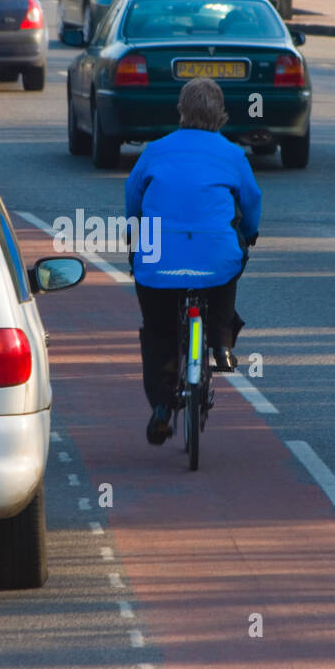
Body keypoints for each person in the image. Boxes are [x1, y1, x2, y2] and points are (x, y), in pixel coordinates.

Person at [125, 77, 261, 446]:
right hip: (214, 252)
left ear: (181, 111)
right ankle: (221, 345)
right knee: (227, 262)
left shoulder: (155, 150)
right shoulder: (232, 153)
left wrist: (134, 229)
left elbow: (133, 199)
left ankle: (162, 409)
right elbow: (251, 201)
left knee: (158, 329)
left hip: (158, 251)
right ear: (220, 114)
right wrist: (249, 232)